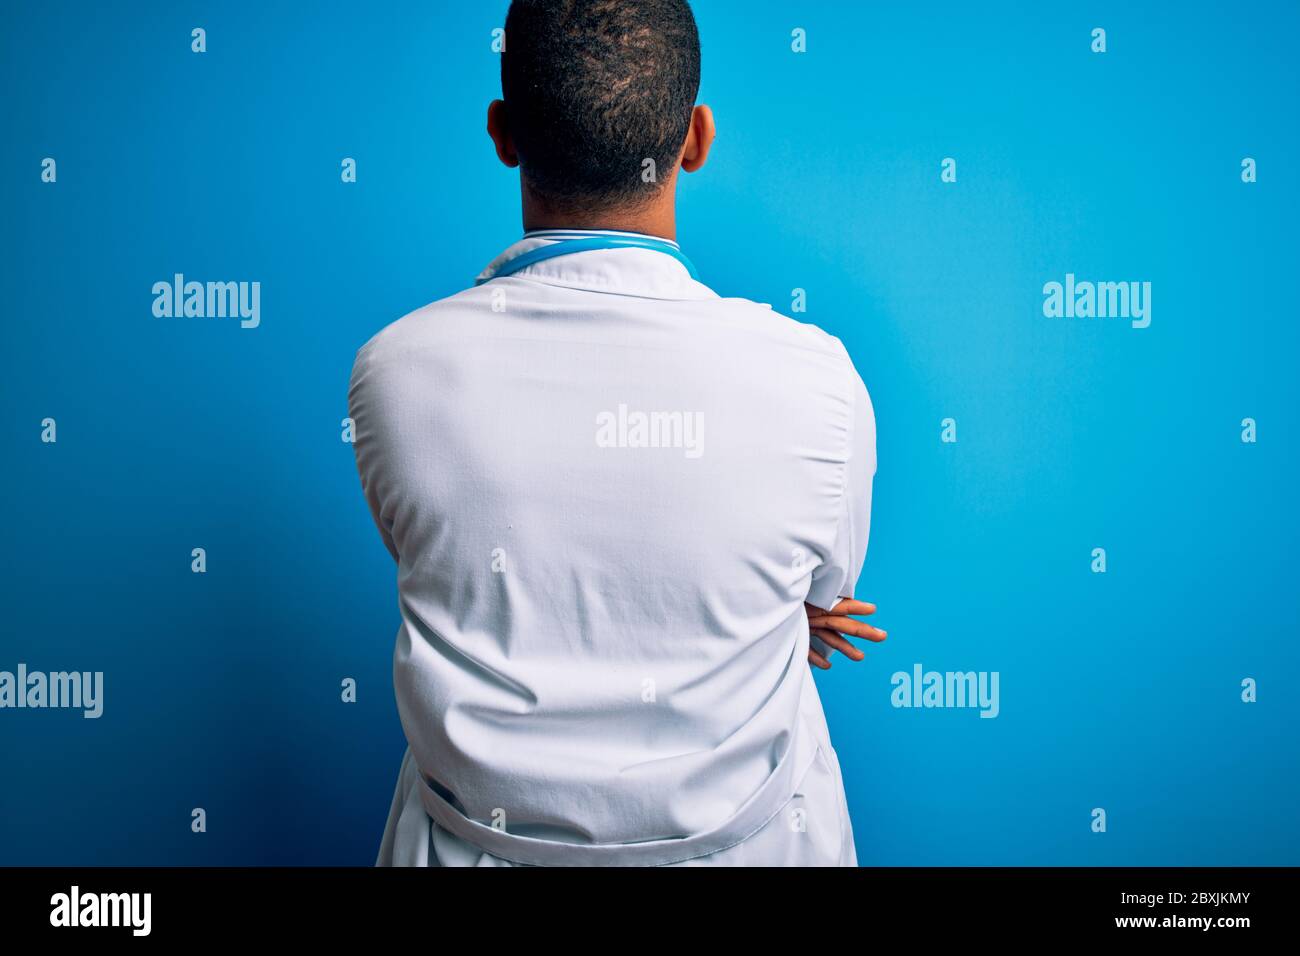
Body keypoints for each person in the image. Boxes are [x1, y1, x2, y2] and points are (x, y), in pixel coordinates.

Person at [349, 0, 883, 867]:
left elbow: (444, 558)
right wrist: (773, 607)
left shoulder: (393, 372)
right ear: (696, 139)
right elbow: (825, 591)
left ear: (502, 133)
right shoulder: (815, 380)